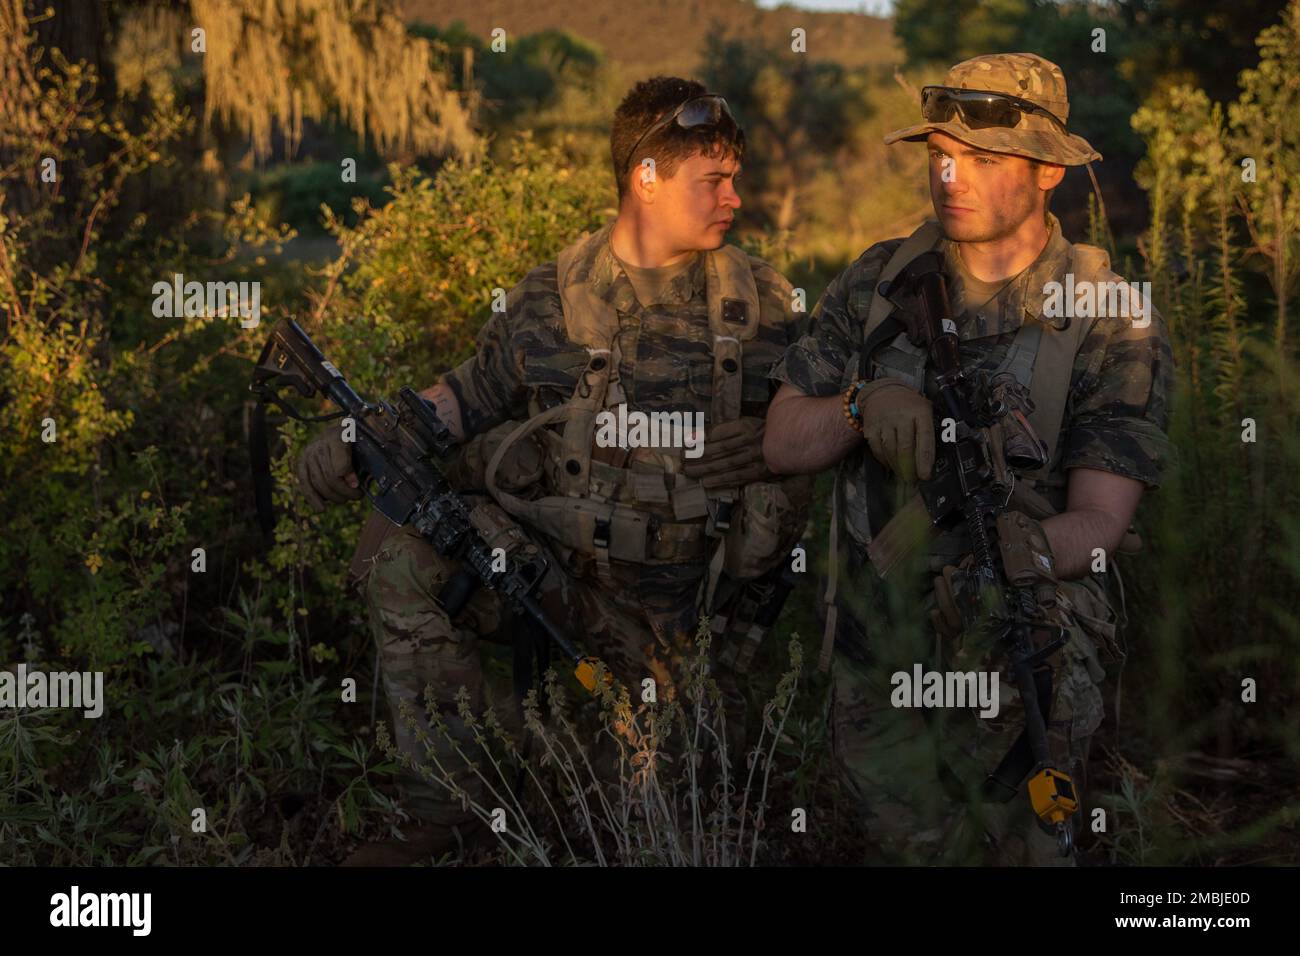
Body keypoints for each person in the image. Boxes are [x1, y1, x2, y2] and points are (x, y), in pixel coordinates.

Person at [296, 76, 812, 864]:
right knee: (406, 555)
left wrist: (780, 435)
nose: (734, 198)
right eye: (714, 180)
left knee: (637, 833)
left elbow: (830, 418)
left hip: (688, 639)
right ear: (646, 177)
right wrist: (359, 435)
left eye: (733, 179)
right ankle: (450, 798)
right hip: (560, 594)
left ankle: (567, 747)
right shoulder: (551, 297)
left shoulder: (766, 303)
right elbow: (463, 397)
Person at [763, 52, 1173, 865]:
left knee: (1020, 844)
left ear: (1050, 170)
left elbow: (1100, 519)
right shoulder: (878, 282)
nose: (951, 176)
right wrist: (860, 404)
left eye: (983, 159)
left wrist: (1015, 555)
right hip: (882, 646)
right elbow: (781, 440)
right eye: (939, 156)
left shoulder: (1107, 315)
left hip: (1021, 647)